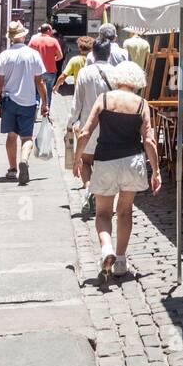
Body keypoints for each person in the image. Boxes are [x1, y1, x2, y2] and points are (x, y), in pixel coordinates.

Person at [73, 59, 160, 279]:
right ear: (137, 81)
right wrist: (156, 170)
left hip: (105, 161)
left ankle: (106, 248)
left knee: (103, 213)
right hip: (132, 161)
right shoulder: (141, 104)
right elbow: (149, 140)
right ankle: (121, 260)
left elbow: (85, 132)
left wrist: (77, 159)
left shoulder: (104, 99)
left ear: (117, 79)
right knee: (125, 211)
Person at [0, 20, 49, 184]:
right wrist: (45, 102)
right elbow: (40, 81)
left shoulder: (4, 55)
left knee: (11, 135)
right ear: (23, 36)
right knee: (27, 137)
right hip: (28, 101)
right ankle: (24, 159)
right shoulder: (33, 55)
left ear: (11, 38)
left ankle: (12, 169)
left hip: (9, 101)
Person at [69, 38, 115, 216]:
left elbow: (77, 101)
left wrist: (71, 122)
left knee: (86, 162)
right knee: (105, 163)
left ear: (93, 54)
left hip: (89, 125)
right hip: (111, 127)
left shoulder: (84, 73)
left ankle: (88, 189)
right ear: (109, 53)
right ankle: (101, 197)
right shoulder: (116, 73)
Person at [29, 22, 63, 109]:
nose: (52, 32)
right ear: (48, 30)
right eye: (51, 30)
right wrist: (53, 59)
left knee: (37, 91)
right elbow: (60, 56)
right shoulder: (54, 41)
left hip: (37, 71)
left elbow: (28, 55)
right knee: (48, 91)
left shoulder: (34, 40)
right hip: (50, 70)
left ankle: (36, 105)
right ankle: (46, 110)